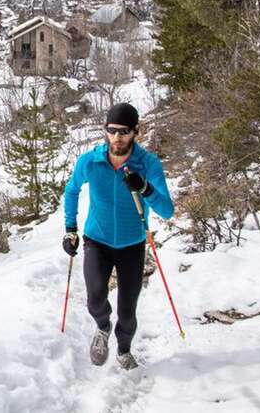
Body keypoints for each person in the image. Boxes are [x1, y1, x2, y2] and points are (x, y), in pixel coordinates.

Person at [61, 102, 174, 370]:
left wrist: (145, 188)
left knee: (127, 311)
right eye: (112, 131)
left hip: (131, 244)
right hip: (97, 240)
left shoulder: (147, 164)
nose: (117, 137)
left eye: (124, 131)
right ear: (105, 131)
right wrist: (70, 229)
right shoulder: (90, 161)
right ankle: (102, 327)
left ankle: (124, 349)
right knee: (95, 299)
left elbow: (167, 210)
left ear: (136, 131)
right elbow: (71, 190)